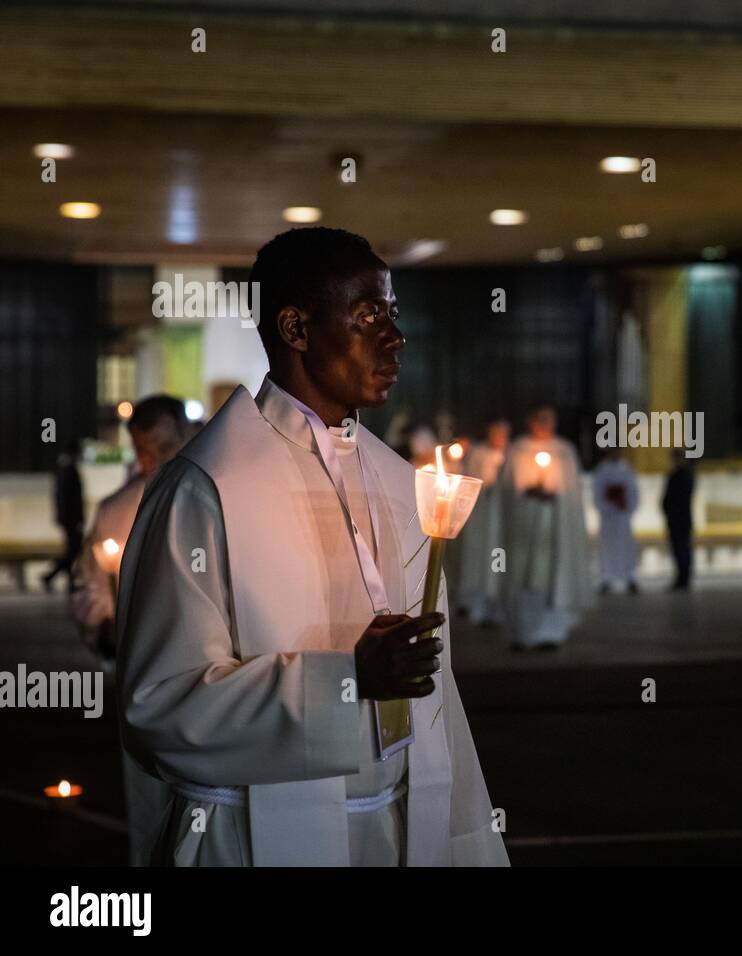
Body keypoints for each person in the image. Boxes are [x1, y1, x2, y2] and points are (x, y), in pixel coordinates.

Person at [116, 227, 507, 866]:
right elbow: (158, 709)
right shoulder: (206, 489)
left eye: (393, 313)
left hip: (400, 832)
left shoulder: (395, 478)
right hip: (251, 837)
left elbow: (437, 695)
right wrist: (347, 682)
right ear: (296, 329)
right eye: (368, 315)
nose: (395, 337)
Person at [71, 395, 188, 660]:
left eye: (165, 447)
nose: (154, 461)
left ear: (188, 435)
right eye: (143, 451)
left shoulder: (217, 500)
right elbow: (90, 583)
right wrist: (105, 619)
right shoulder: (114, 510)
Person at [498, 406, 593, 650]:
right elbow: (506, 490)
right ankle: (521, 633)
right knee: (521, 579)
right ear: (530, 422)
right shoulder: (519, 449)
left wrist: (553, 495)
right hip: (522, 529)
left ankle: (549, 633)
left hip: (553, 531)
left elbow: (571, 496)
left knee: (551, 580)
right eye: (539, 419)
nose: (543, 424)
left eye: (548, 420)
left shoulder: (564, 451)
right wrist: (527, 492)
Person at [453, 420, 511, 625]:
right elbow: (470, 478)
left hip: (501, 522)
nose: (499, 438)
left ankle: (496, 605)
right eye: (496, 433)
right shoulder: (479, 453)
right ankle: (473, 604)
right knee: (478, 560)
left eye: (503, 434)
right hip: (481, 516)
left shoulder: (511, 455)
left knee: (498, 562)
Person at [592, 448, 640, 594]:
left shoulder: (626, 469)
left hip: (623, 516)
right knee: (607, 547)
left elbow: (633, 491)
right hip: (608, 517)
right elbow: (597, 491)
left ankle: (630, 577)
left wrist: (626, 505)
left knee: (626, 547)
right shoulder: (602, 470)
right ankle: (606, 578)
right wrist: (609, 505)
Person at [42, 440, 84, 593]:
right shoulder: (69, 470)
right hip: (71, 519)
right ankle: (53, 577)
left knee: (72, 551)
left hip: (69, 519)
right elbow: (68, 498)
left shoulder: (65, 469)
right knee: (73, 551)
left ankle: (66, 580)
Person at [661, 450, 695, 591]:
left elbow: (677, 499)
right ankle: (681, 578)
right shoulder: (677, 475)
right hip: (676, 520)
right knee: (678, 550)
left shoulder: (684, 476)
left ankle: (684, 579)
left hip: (681, 519)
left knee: (682, 550)